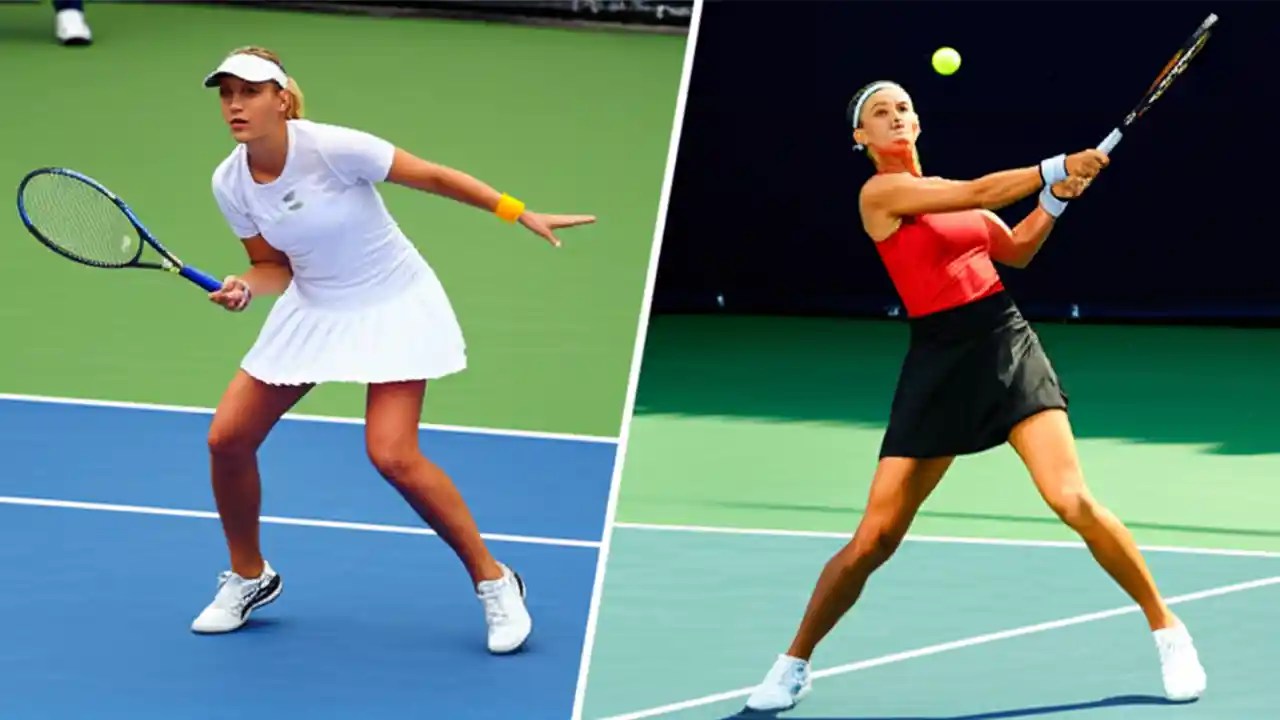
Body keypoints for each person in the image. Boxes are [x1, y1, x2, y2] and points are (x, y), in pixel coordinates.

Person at [742, 80, 1208, 712]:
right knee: (875, 538)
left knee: (1071, 498)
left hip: (1004, 345)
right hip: (938, 364)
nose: (896, 117)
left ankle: (1168, 631)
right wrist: (1055, 167)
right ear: (863, 138)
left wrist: (1057, 199)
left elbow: (1014, 250)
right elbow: (977, 192)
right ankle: (793, 662)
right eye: (880, 113)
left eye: (903, 108)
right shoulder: (880, 194)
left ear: (918, 121)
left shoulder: (956, 198)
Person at [189, 47, 595, 656]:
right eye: (226, 94)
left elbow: (430, 175)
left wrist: (517, 211)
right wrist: (247, 285)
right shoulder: (230, 182)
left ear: (281, 97)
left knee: (393, 454)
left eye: (249, 92)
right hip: (316, 306)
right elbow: (271, 264)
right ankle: (250, 577)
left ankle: (495, 578)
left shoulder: (331, 148)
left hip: (392, 301)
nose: (236, 105)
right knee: (227, 439)